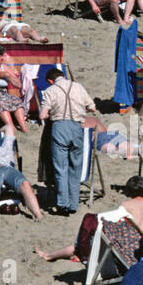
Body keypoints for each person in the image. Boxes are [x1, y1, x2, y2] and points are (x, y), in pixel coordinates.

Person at [35, 176, 143, 264]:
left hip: (131, 249)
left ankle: (50, 255)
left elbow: (108, 221)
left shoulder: (127, 204)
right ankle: (53, 255)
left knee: (85, 240)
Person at [39, 67, 93, 216]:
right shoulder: (78, 87)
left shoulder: (51, 90)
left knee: (60, 168)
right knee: (75, 167)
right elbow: (92, 107)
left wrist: (53, 111)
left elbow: (43, 115)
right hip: (77, 128)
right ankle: (73, 204)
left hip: (60, 127)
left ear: (51, 80)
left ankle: (63, 203)